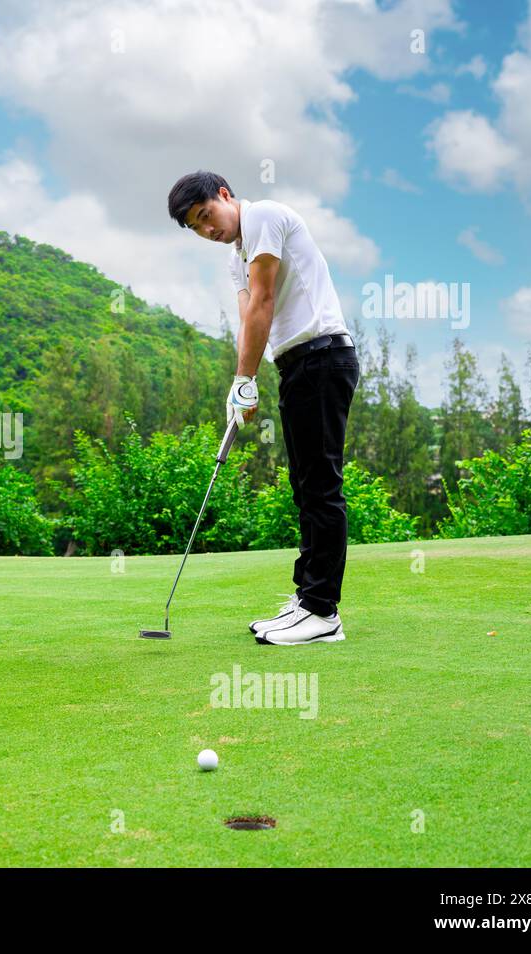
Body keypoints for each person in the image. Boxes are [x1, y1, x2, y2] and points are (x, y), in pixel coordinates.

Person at [167, 171, 360, 645]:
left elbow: (265, 302)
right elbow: (246, 316)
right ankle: (307, 598)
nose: (208, 230)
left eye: (207, 215)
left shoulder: (266, 217)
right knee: (304, 487)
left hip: (323, 355)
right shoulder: (237, 258)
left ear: (225, 196)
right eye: (197, 227)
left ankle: (322, 612)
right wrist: (242, 386)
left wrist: (244, 378)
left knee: (321, 487)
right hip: (294, 365)